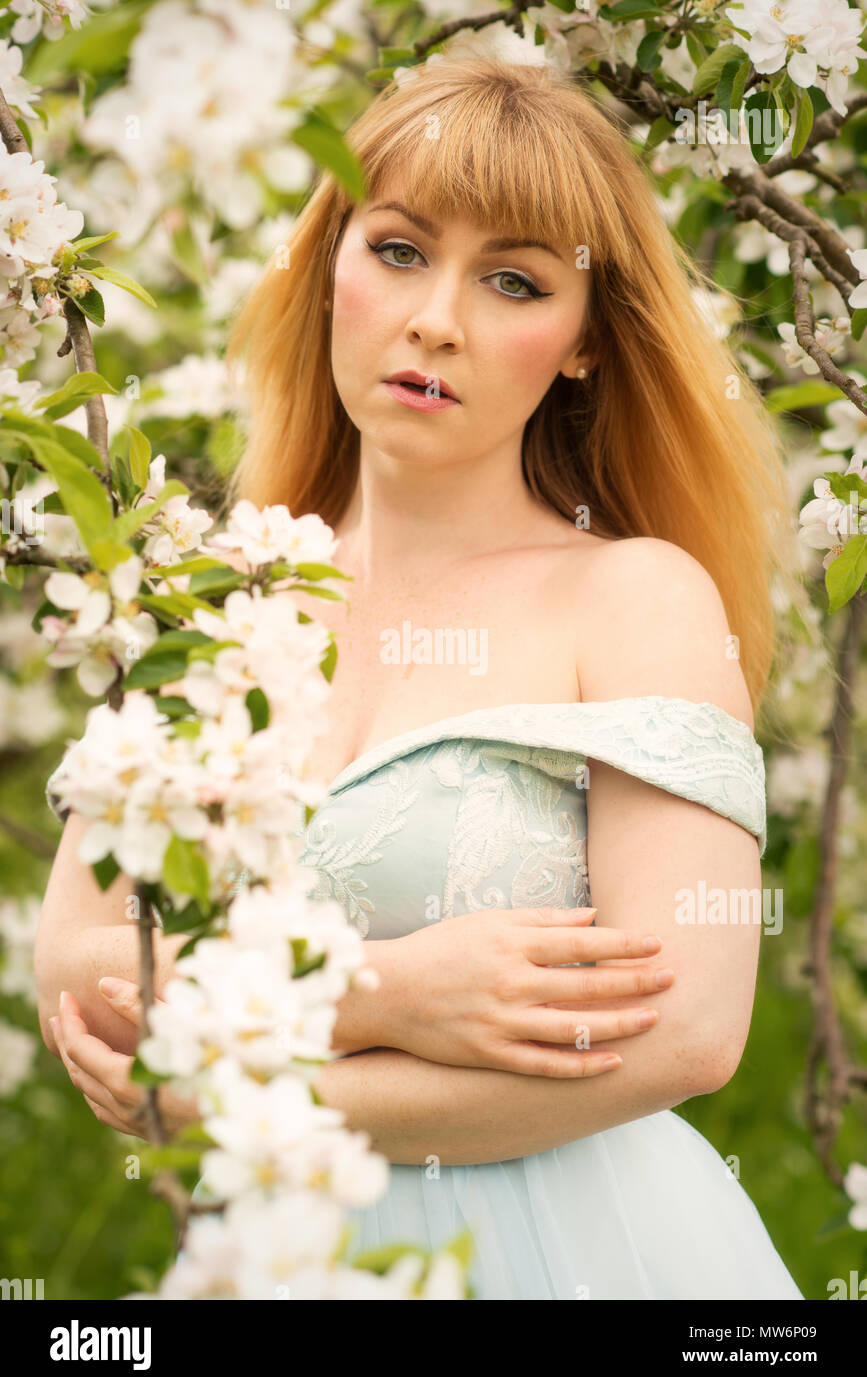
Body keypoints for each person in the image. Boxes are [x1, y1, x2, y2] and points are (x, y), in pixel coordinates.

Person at [36, 56, 804, 1299]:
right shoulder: (220, 597)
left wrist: (226, 1083)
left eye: (513, 281)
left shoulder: (636, 596)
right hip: (281, 1261)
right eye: (398, 250)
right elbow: (84, 966)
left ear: (585, 346)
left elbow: (684, 1034)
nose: (437, 318)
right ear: (329, 266)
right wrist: (394, 989)